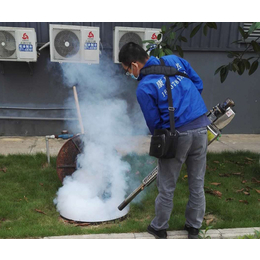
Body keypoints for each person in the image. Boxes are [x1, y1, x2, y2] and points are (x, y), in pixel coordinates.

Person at [119, 42, 210, 239]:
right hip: (202, 127)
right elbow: (198, 84)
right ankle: (194, 227)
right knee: (197, 182)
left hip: (177, 136)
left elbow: (155, 125)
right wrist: (186, 107)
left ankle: (159, 227)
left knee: (167, 186)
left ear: (134, 65)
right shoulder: (174, 60)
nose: (129, 74)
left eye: (127, 70)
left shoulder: (144, 87)